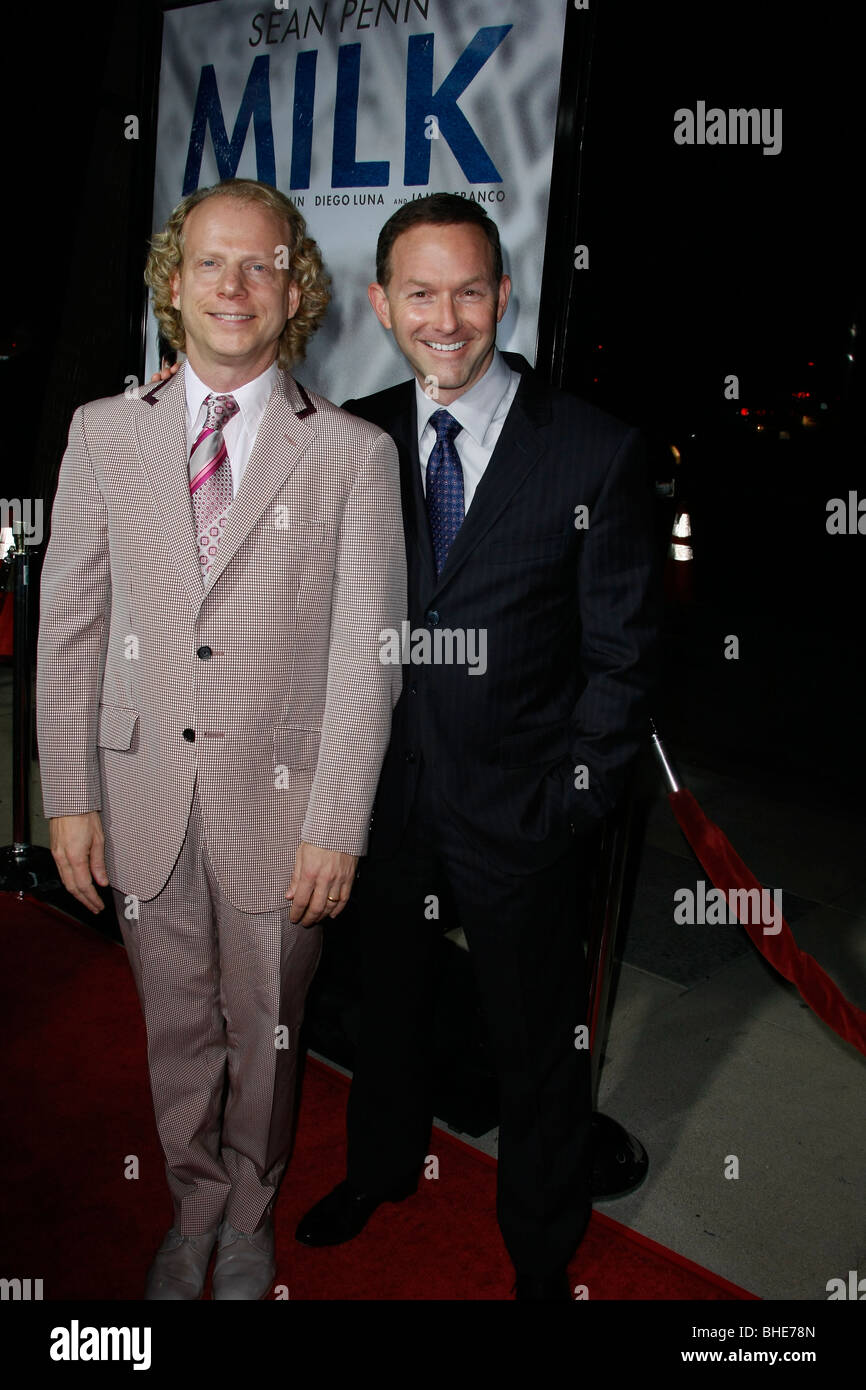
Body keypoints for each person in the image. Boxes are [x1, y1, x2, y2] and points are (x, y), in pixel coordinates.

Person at [36, 178, 406, 1300]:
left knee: (270, 1030)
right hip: (139, 794)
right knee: (175, 1030)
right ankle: (192, 1201)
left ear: (293, 285)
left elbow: (368, 650)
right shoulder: (103, 433)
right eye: (210, 263)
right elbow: (70, 622)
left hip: (282, 809)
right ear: (173, 281)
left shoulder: (350, 453)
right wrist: (68, 796)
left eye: (260, 264)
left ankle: (250, 1209)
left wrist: (337, 821)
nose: (234, 286)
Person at [294, 194, 659, 1300]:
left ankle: (539, 1248)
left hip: (523, 816)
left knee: (535, 1043)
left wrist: (569, 800)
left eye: (467, 290)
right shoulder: (352, 434)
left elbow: (624, 655)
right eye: (418, 291)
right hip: (388, 803)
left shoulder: (594, 450)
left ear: (504, 295)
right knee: (385, 1009)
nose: (443, 317)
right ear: (380, 303)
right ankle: (377, 1171)